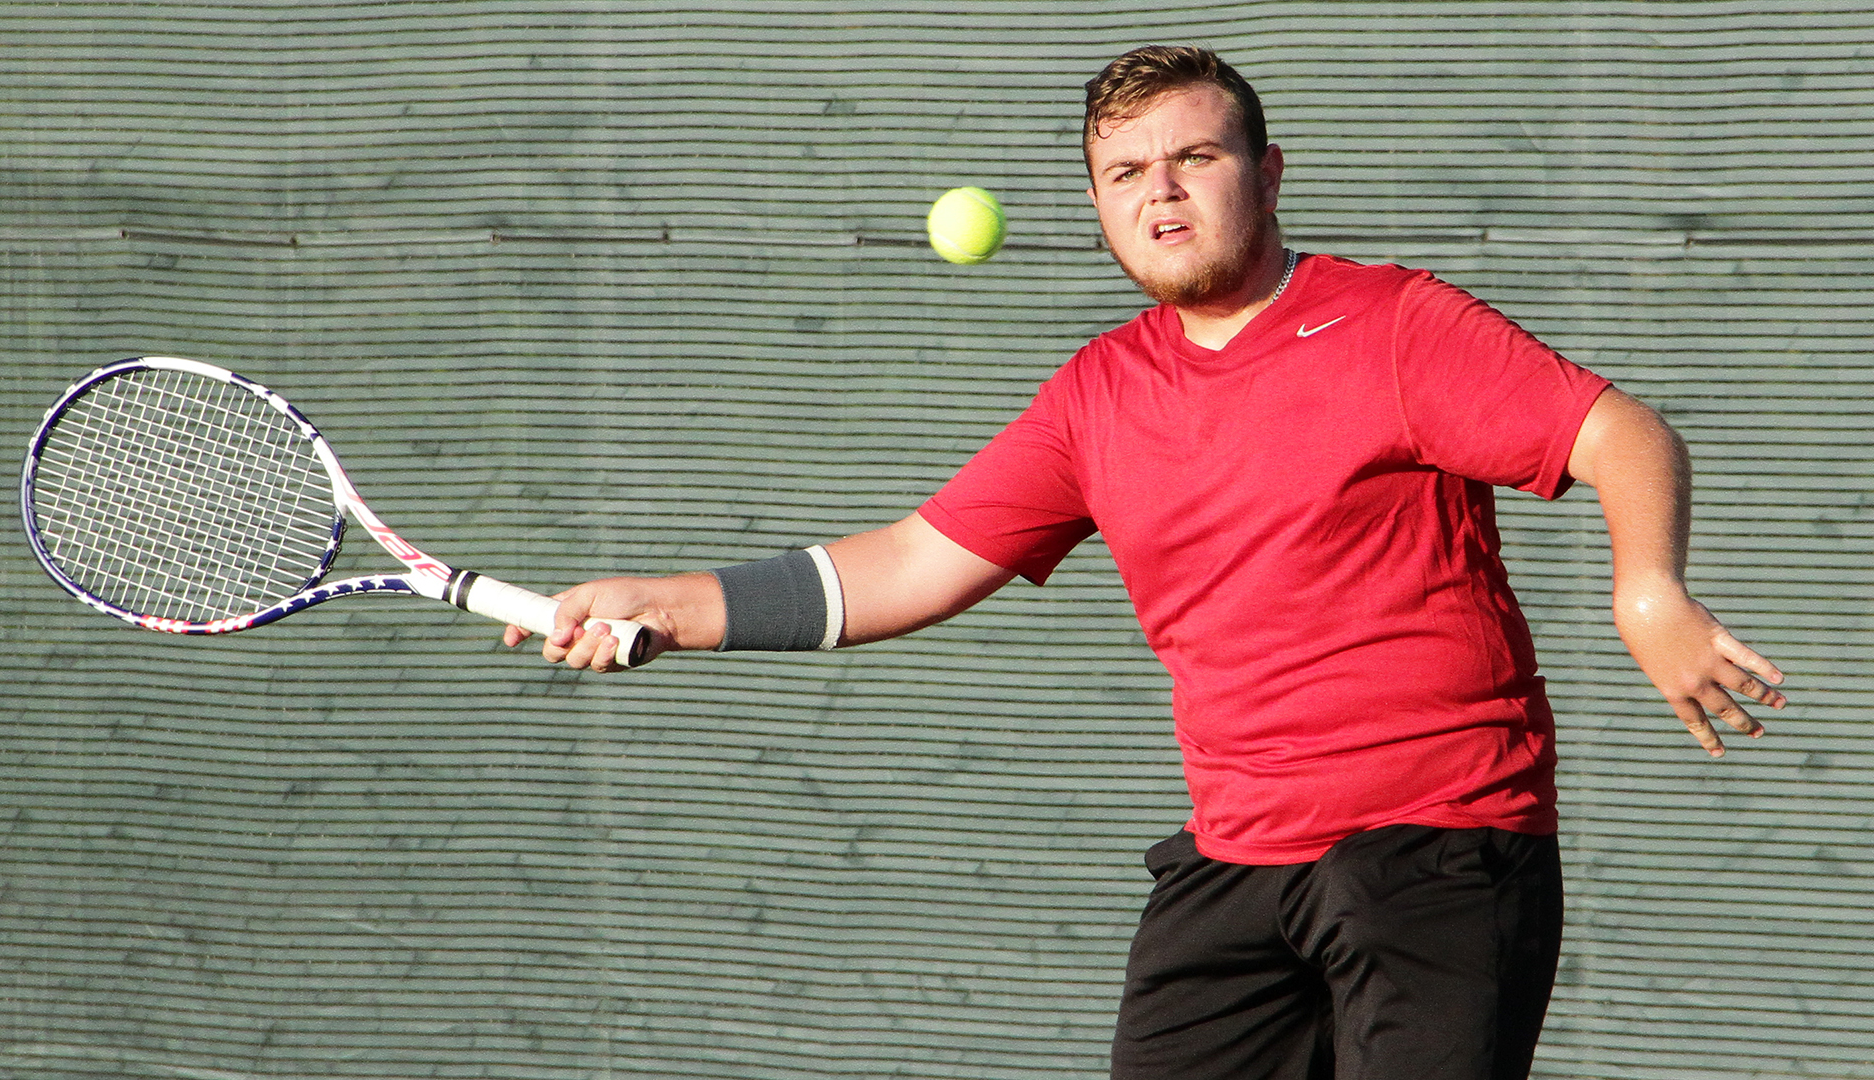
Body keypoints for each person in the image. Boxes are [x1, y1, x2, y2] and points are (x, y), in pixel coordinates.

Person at [504, 45, 1788, 1080]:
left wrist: (1647, 591)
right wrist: (664, 603)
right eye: (1125, 172)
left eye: (1193, 157)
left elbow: (1619, 433)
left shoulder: (1394, 326)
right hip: (1233, 865)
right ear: (1097, 204)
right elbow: (911, 563)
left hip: (1437, 846)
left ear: (1268, 174)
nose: (1160, 191)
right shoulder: (1096, 396)